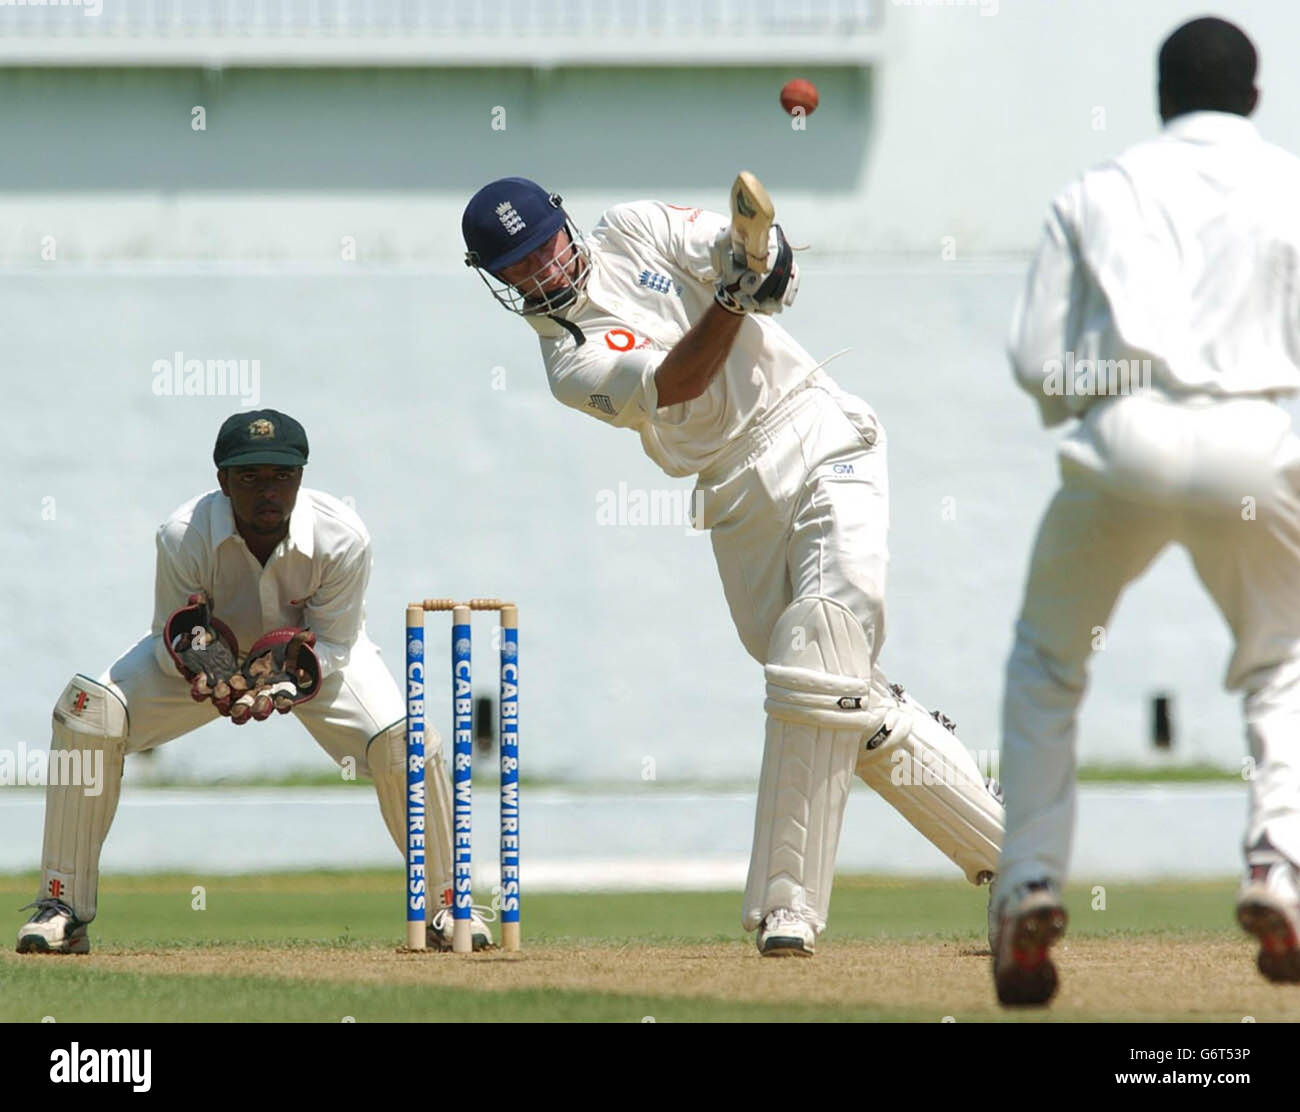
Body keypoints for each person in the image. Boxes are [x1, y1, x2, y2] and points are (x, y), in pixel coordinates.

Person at [462, 177, 1005, 956]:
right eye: (518, 265)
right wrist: (734, 300)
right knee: (826, 686)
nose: (541, 269)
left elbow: (740, 249)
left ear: (565, 223)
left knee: (823, 639)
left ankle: (787, 909)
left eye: (544, 244)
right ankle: (1009, 856)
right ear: (498, 278)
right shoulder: (568, 360)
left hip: (818, 430)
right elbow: (680, 381)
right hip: (733, 491)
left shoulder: (633, 228)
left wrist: (766, 262)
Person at [993, 15, 1300, 1005]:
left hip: (1121, 442)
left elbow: (1037, 362)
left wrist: (1116, 390)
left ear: (1160, 97)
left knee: (1048, 660)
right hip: (1254, 445)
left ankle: (1029, 883)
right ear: (1253, 97)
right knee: (1283, 660)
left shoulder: (1097, 190)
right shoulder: (1291, 184)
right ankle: (1277, 868)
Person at [16, 409, 491, 953]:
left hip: (313, 660)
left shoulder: (343, 537)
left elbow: (336, 642)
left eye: (282, 477)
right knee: (87, 713)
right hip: (209, 665)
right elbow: (171, 637)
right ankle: (62, 906)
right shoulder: (183, 534)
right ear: (222, 482)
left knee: (408, 742)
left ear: (301, 477)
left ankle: (448, 905)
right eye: (250, 478)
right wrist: (210, 674)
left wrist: (285, 679)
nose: (269, 491)